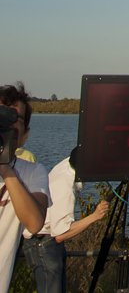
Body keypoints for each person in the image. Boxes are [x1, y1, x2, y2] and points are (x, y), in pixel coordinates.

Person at [24, 149, 109, 293]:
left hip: (44, 241)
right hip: (44, 244)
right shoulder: (65, 187)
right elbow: (60, 234)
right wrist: (95, 216)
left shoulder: (66, 166)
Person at [0, 83, 49, 293]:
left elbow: (35, 222)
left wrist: (5, 168)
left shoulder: (32, 173)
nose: (5, 123)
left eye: (14, 118)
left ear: (25, 135)